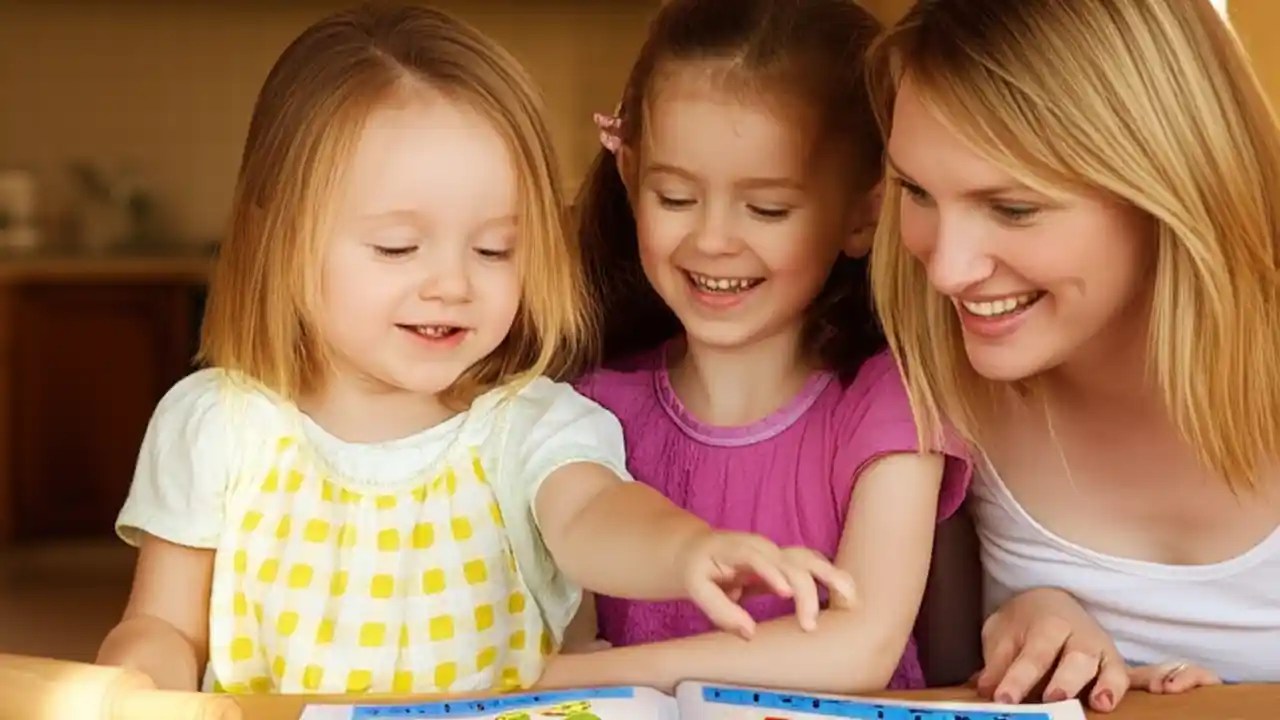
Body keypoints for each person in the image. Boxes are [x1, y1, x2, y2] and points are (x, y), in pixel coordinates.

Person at [93, 2, 856, 695]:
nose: (452, 285)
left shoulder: (530, 425)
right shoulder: (217, 425)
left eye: (493, 251)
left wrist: (690, 552)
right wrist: (129, 683)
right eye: (398, 248)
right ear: (278, 234)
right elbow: (163, 626)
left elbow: (596, 516)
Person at [537, 0, 972, 694]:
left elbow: (859, 647)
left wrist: (619, 672)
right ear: (630, 177)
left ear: (864, 214)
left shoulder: (889, 406)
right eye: (675, 197)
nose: (712, 240)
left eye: (767, 209)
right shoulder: (585, 407)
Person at [867, 0, 1280, 711]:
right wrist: (1025, 625)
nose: (947, 271)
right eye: (917, 192)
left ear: (1170, 186)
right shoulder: (934, 380)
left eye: (1014, 208)